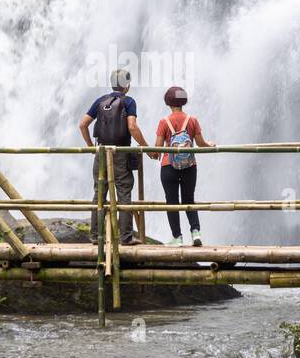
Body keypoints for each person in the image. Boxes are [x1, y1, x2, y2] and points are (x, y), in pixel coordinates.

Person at [78, 68, 150, 245]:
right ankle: (125, 238)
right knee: (124, 192)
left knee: (99, 194)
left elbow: (82, 125)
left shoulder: (101, 101)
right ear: (127, 86)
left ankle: (95, 236)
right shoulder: (129, 101)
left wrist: (91, 147)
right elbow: (132, 127)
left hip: (101, 152)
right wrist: (147, 148)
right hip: (120, 153)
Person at [149, 86, 214, 246]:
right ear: (183, 101)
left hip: (168, 166)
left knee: (171, 202)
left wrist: (152, 153)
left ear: (168, 102)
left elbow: (158, 148)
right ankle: (196, 232)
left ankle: (177, 237)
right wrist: (210, 145)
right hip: (189, 166)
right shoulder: (192, 120)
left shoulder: (164, 122)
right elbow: (200, 143)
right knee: (189, 199)